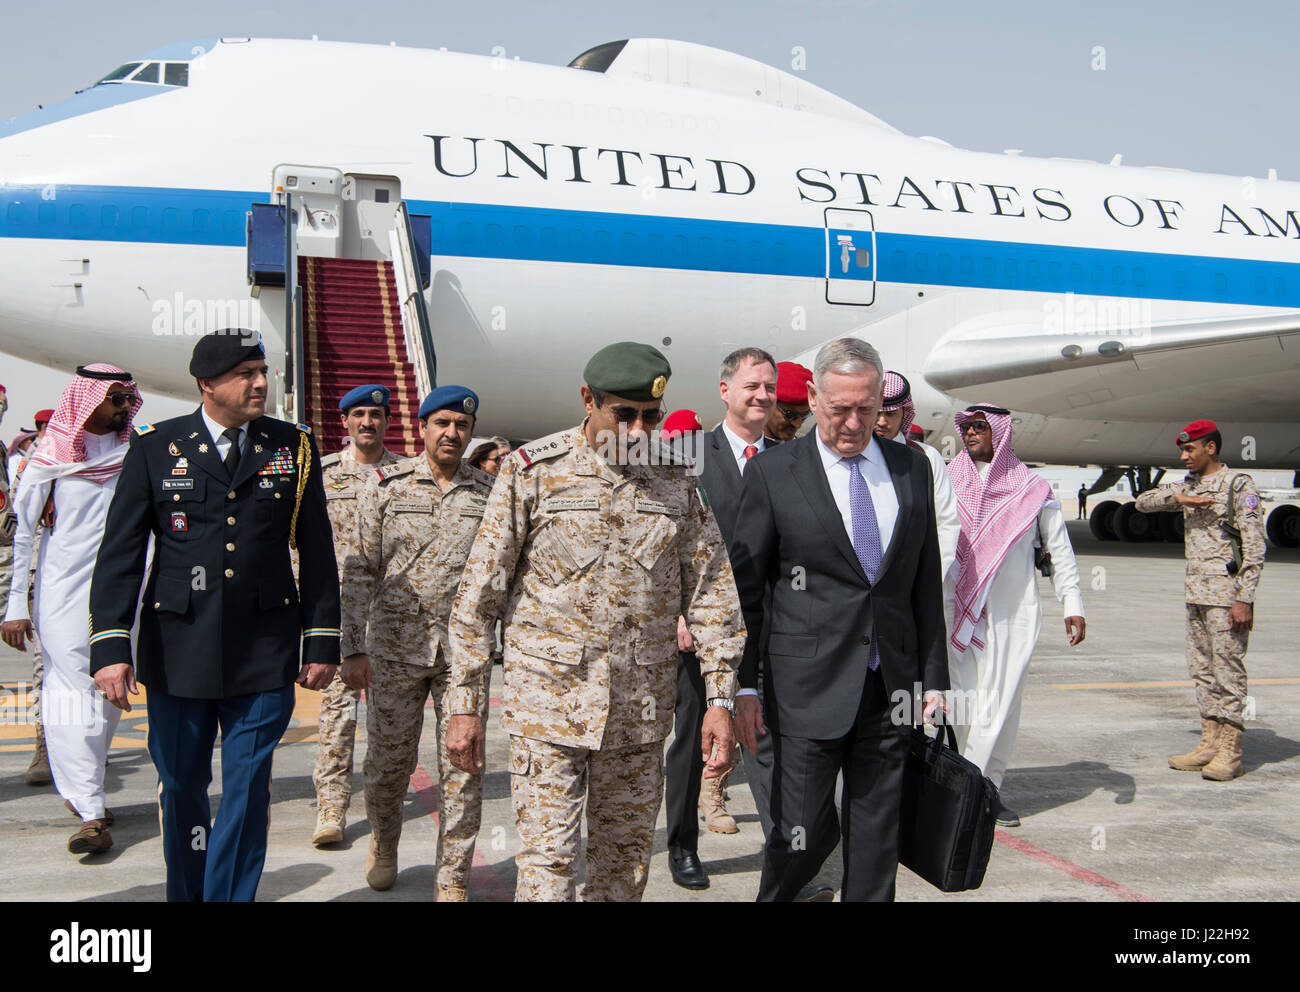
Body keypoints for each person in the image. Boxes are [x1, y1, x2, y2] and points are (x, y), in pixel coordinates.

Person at [444, 342, 745, 902]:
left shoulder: (675, 480)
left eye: (649, 417)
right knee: (547, 868)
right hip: (546, 711)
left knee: (624, 871)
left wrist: (721, 701)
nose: (637, 430)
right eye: (622, 414)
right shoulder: (533, 472)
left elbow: (713, 599)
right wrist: (464, 704)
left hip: (638, 715)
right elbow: (478, 597)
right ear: (588, 400)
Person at [88, 329, 340, 901]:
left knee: (249, 786)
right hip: (179, 650)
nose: (260, 383)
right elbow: (121, 554)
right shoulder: (156, 446)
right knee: (180, 786)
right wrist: (109, 648)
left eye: (263, 371)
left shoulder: (292, 446)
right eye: (245, 374)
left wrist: (321, 640)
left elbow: (317, 549)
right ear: (207, 385)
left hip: (265, 649)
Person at [730, 337, 949, 902]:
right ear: (811, 397)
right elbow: (747, 591)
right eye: (838, 409)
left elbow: (922, 582)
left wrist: (933, 679)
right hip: (804, 689)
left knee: (878, 839)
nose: (853, 424)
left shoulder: (911, 468)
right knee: (800, 836)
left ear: (883, 403)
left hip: (890, 685)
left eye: (866, 410)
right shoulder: (775, 472)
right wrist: (744, 684)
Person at [340, 386, 494, 900]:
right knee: (388, 763)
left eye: (462, 426)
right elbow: (359, 570)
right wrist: (352, 647)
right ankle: (384, 840)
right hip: (393, 650)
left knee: (463, 767)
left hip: (462, 657)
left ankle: (452, 877)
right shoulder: (386, 485)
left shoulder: (488, 493)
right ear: (422, 428)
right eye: (443, 424)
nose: (453, 433)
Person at [2, 365, 143, 854]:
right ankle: (90, 810)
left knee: (109, 690)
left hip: (127, 592)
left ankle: (84, 786)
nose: (125, 408)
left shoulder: (136, 454)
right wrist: (15, 603)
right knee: (68, 687)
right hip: (62, 592)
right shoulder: (49, 457)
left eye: (129, 399)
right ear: (87, 401)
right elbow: (23, 534)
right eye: (115, 399)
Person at [662, 348, 776, 889]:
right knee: (693, 737)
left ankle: (786, 849)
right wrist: (680, 609)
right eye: (751, 386)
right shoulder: (688, 455)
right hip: (701, 625)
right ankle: (683, 845)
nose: (762, 396)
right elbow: (668, 541)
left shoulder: (789, 458)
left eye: (769, 388)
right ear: (725, 391)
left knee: (767, 737)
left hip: (770, 623)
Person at [945, 403, 1086, 827]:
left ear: (1001, 433)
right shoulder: (948, 480)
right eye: (966, 427)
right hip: (956, 614)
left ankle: (988, 790)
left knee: (1002, 703)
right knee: (962, 703)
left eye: (979, 427)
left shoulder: (1033, 489)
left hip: (1013, 614)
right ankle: (959, 787)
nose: (969, 433)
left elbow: (1058, 548)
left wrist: (1073, 603)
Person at [1135, 419, 1265, 781]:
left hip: (1227, 598)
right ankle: (1209, 741)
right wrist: (1176, 497)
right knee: (1203, 671)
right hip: (1196, 595)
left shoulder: (1239, 485)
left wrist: (1245, 599)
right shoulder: (1188, 485)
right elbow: (1142, 502)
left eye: (1190, 449)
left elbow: (1254, 548)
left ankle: (1230, 750)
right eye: (1182, 449)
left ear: (1210, 448)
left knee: (1228, 672)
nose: (1184, 456)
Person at [309, 384, 401, 847]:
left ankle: (381, 812)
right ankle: (331, 807)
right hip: (341, 616)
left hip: (393, 618)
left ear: (387, 422)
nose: (368, 422)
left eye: (376, 414)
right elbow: (299, 546)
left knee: (389, 724)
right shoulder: (323, 475)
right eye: (359, 414)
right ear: (345, 422)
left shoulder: (406, 474)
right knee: (337, 716)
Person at [873, 371, 960, 581]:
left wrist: (930, 576)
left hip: (913, 575)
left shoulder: (926, 457)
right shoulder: (851, 455)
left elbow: (945, 520)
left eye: (891, 414)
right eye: (876, 413)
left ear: (905, 413)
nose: (882, 422)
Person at [763, 361, 813, 445]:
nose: (798, 425)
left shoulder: (807, 452)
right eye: (790, 415)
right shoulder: (739, 450)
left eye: (804, 416)